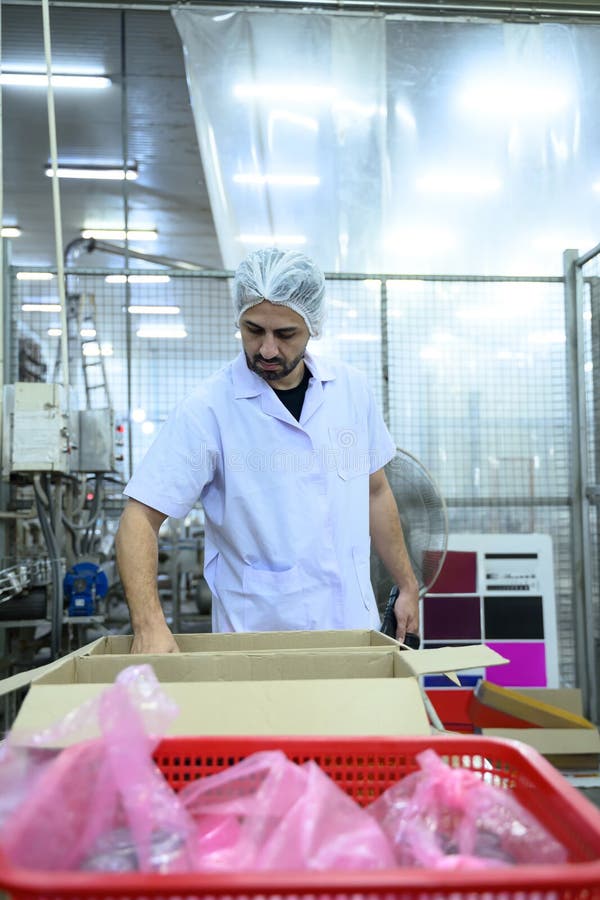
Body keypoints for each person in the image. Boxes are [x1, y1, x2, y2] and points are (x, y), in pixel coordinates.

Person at [115, 247, 419, 653]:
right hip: (258, 643)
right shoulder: (209, 409)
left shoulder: (351, 392)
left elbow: (375, 491)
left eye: (286, 334)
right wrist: (149, 624)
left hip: (353, 632)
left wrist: (406, 585)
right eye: (254, 330)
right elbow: (139, 517)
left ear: (313, 326)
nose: (268, 350)